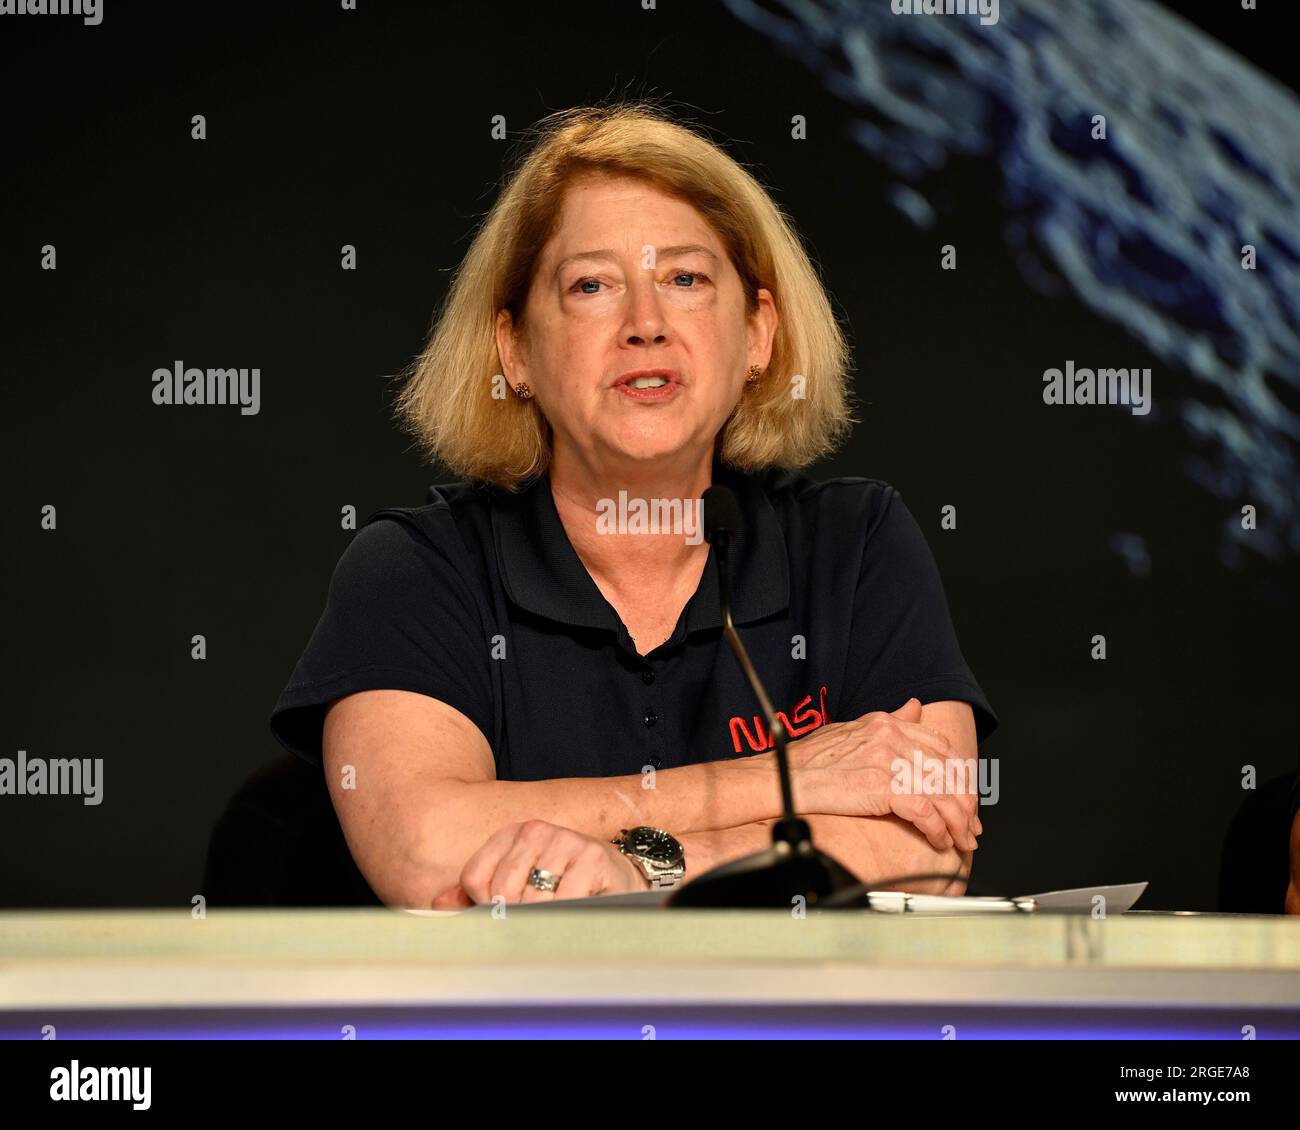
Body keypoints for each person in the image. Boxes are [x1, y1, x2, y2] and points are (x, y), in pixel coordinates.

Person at [270, 101, 999, 908]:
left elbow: (922, 851)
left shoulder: (855, 544)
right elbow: (429, 845)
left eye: (685, 279)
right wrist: (788, 779)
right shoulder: (414, 569)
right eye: (592, 286)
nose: (644, 324)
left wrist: (639, 871)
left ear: (758, 336)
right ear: (515, 351)